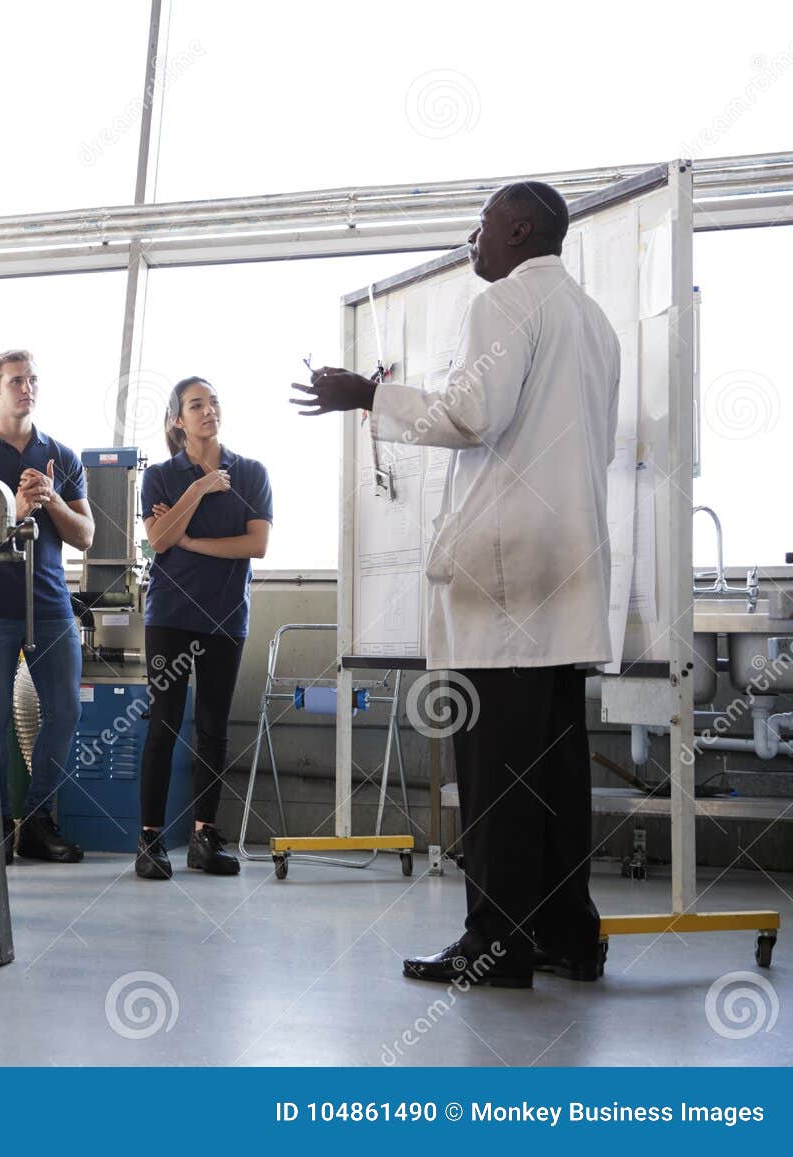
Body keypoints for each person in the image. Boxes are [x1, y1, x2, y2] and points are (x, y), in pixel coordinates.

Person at [292, 181, 619, 988]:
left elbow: (474, 415)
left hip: (507, 577)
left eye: (479, 226)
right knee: (552, 770)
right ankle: (568, 935)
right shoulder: (597, 322)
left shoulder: (505, 302)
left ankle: (496, 946)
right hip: (568, 571)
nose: (471, 240)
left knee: (496, 772)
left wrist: (367, 393)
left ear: (517, 228)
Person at [135, 377, 272, 880]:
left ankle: (202, 837)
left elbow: (255, 546)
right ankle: (149, 840)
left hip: (225, 617)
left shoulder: (252, 473)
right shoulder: (161, 478)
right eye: (197, 405)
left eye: (213, 402)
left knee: (213, 728)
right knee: (164, 723)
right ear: (178, 420)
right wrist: (199, 488)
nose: (209, 410)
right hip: (171, 616)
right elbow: (158, 540)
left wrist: (190, 542)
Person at [0, 350, 93, 864]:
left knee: (64, 711)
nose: (27, 388)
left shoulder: (62, 456)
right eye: (16, 381)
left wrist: (52, 501)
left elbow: (86, 536)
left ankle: (39, 821)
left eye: (32, 381)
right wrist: (14, 510)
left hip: (50, 605)